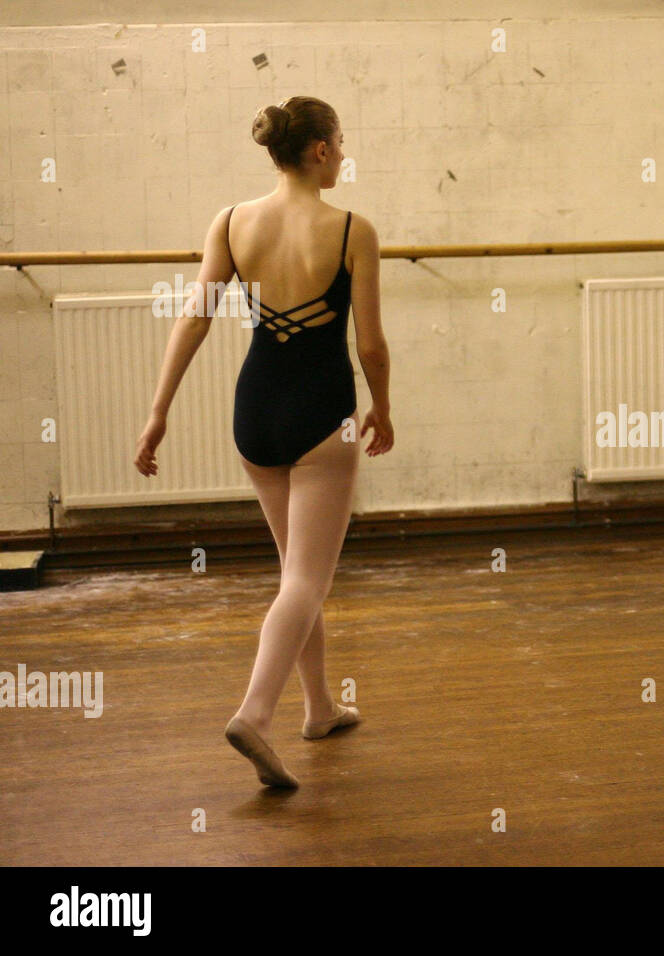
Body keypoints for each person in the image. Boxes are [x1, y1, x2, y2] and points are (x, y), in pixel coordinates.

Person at [132, 96, 395, 787]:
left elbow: (193, 321)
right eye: (340, 142)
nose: (343, 153)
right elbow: (369, 342)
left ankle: (318, 708)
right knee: (308, 578)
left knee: (294, 576)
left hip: (255, 412)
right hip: (322, 415)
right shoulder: (351, 231)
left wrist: (159, 411)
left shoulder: (230, 221)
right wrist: (384, 407)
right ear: (318, 150)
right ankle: (254, 713)